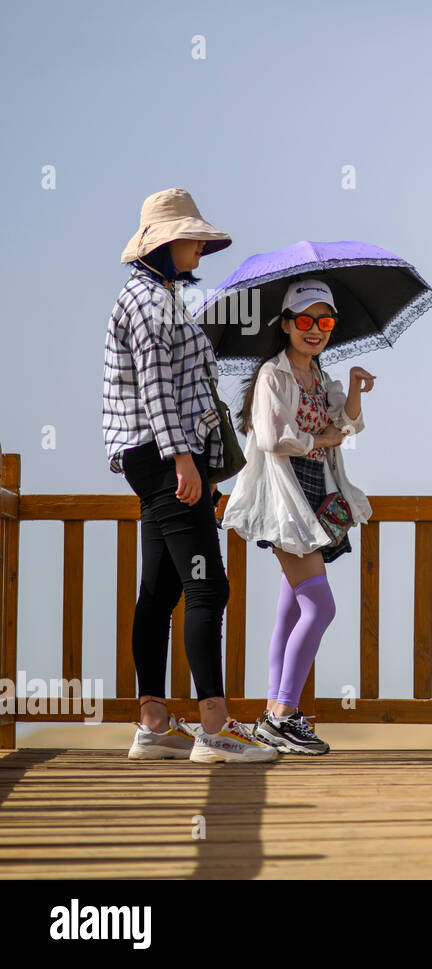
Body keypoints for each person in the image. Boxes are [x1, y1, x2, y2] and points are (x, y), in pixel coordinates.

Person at [103, 187, 277, 763]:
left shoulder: (159, 296)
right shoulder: (152, 304)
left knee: (161, 589)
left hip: (158, 454)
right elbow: (156, 386)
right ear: (166, 242)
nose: (202, 244)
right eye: (193, 236)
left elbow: (179, 385)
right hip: (163, 452)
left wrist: (198, 464)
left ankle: (153, 725)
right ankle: (216, 728)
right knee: (209, 586)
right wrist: (183, 460)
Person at [220, 279, 375, 755]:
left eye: (324, 322)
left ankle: (274, 713)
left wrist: (353, 389)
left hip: (316, 496)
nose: (315, 330)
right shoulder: (273, 375)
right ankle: (283, 715)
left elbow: (345, 426)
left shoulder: (319, 377)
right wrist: (320, 440)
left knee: (291, 609)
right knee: (321, 607)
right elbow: (270, 437)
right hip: (284, 500)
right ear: (286, 324)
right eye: (305, 320)